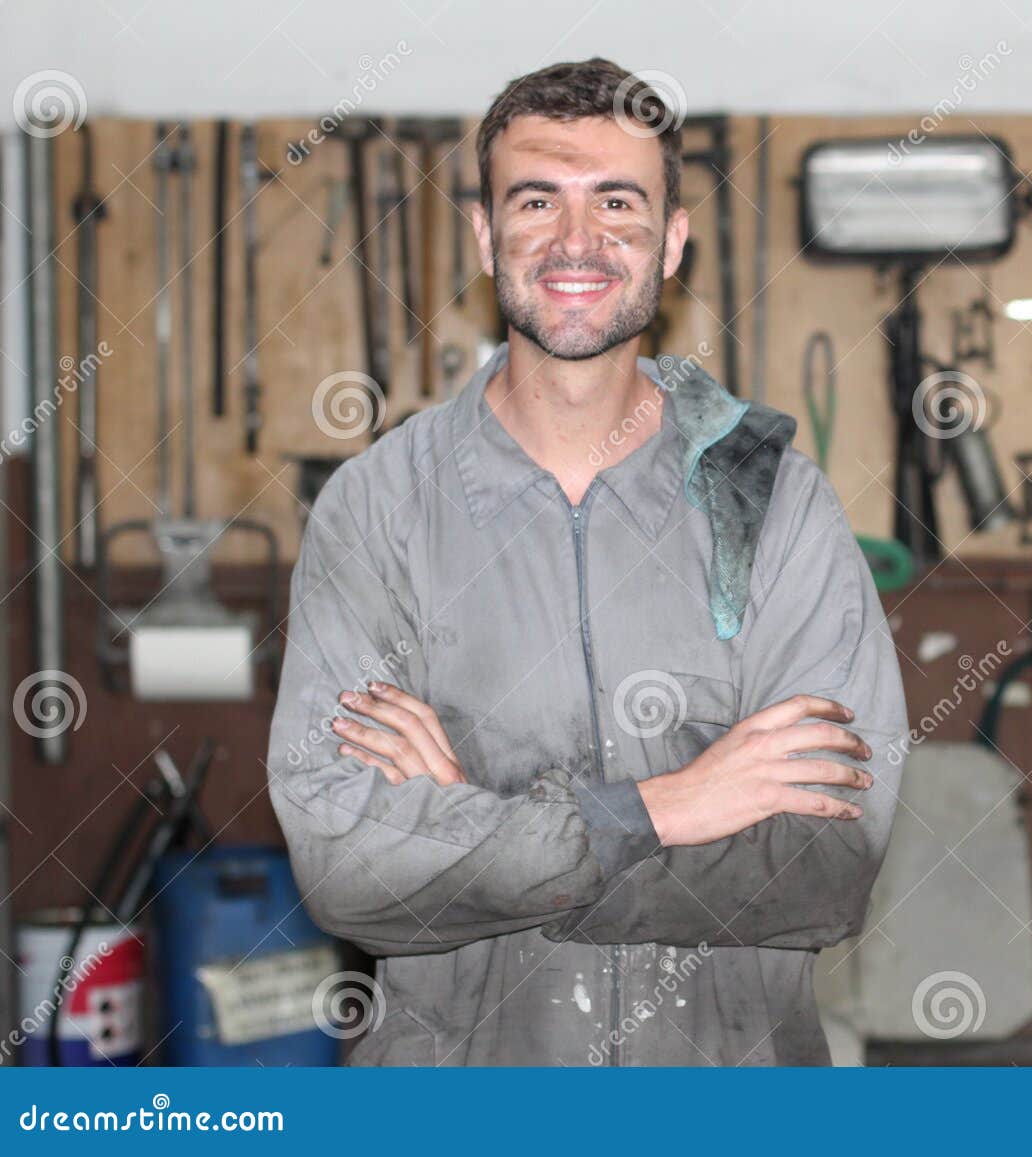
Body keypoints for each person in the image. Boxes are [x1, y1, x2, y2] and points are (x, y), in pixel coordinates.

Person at [265, 58, 909, 1066]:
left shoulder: (774, 497)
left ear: (673, 240)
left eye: (617, 201)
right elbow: (351, 869)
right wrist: (667, 805)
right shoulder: (377, 508)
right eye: (537, 200)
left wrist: (476, 838)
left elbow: (826, 867)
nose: (577, 241)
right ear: (485, 236)